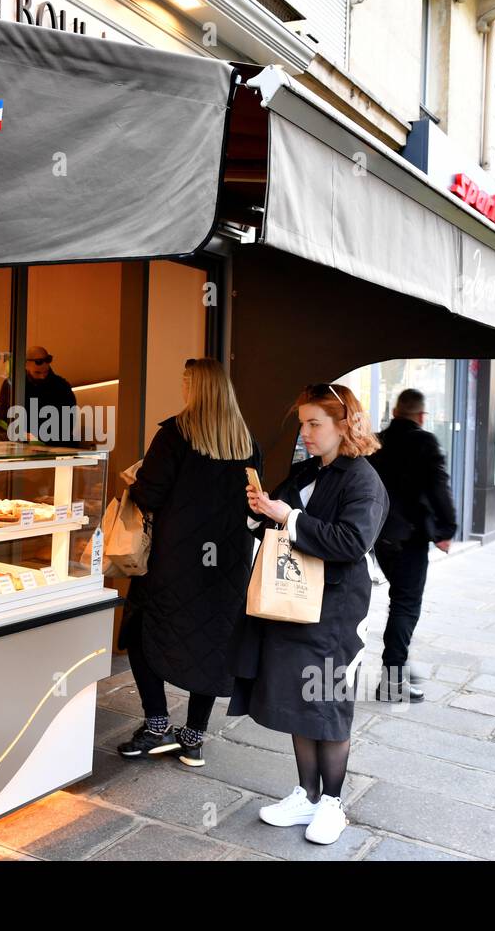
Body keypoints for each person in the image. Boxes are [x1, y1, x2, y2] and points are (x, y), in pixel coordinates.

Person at [230, 382, 388, 845]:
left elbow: (351, 541)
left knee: (329, 702)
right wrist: (259, 509)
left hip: (336, 609)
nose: (306, 432)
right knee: (302, 702)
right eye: (302, 423)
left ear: (344, 425)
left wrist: (288, 518)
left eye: (314, 423)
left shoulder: (364, 479)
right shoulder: (304, 471)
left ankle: (333, 805)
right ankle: (308, 794)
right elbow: (274, 517)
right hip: (294, 602)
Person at [116, 358, 262, 767]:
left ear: (195, 388)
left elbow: (150, 496)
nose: (182, 388)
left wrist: (136, 481)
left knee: (143, 632)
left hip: (173, 560)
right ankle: (193, 737)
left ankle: (157, 723)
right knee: (214, 643)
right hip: (228, 564)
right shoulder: (246, 441)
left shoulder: (175, 434)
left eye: (185, 382)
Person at [367, 389, 457, 704]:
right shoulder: (425, 442)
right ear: (420, 416)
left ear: (395, 412)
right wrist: (447, 528)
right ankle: (393, 679)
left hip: (380, 537)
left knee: (400, 602)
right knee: (405, 605)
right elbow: (438, 487)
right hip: (410, 538)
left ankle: (400, 667)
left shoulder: (376, 441)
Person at [0, 345, 79, 446]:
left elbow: (67, 422)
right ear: (26, 365)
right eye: (37, 373)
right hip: (18, 442)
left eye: (45, 372)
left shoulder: (61, 386)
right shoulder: (12, 384)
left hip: (53, 444)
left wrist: (37, 437)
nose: (42, 376)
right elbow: (5, 416)